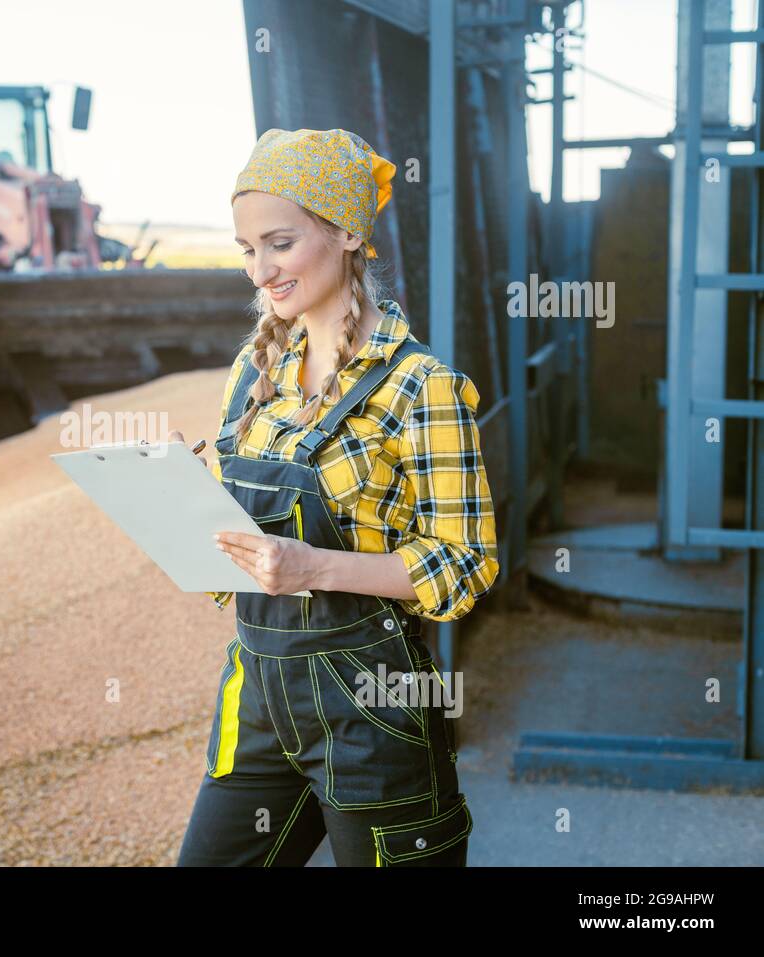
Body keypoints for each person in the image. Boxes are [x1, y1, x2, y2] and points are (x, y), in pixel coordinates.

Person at [172, 128, 499, 867]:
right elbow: (243, 549)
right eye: (247, 249)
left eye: (279, 242)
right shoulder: (253, 373)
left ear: (348, 231)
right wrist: (184, 513)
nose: (261, 269)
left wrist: (312, 567)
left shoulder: (422, 387)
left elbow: (464, 564)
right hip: (259, 699)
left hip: (370, 708)